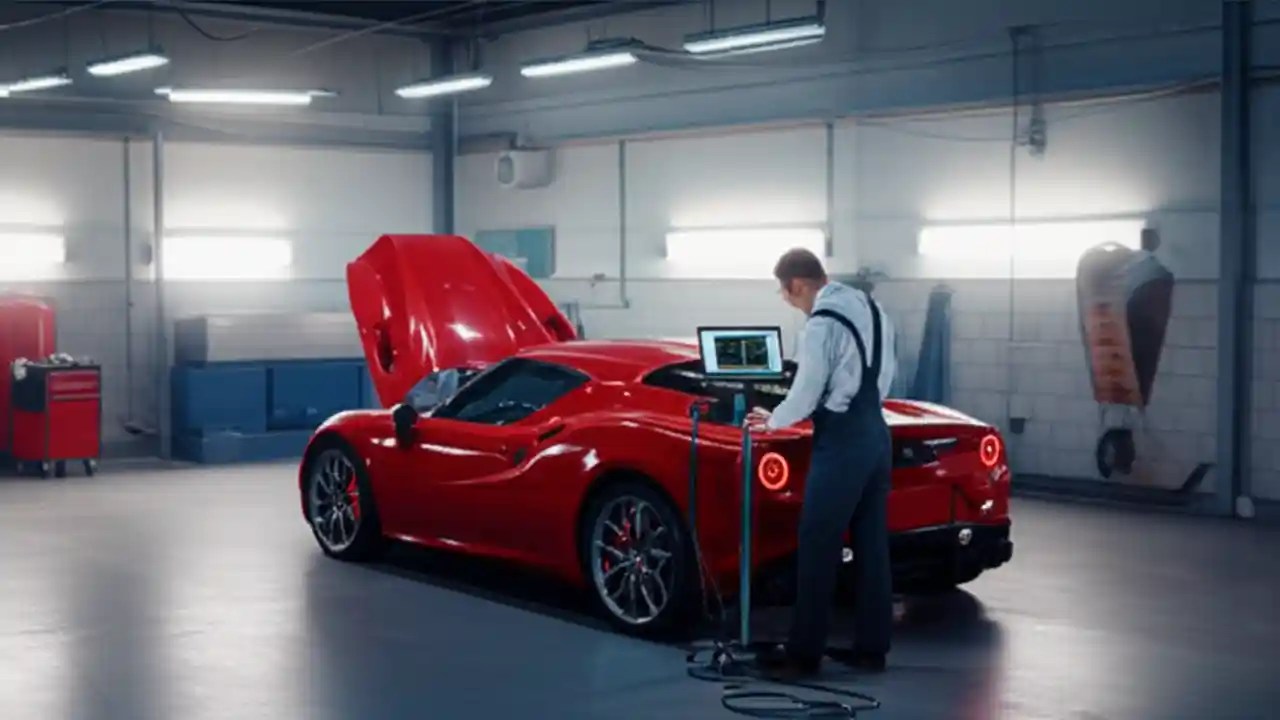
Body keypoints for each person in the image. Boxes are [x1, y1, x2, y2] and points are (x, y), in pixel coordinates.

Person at [746, 248, 897, 678]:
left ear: (797, 285)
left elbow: (807, 390)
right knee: (871, 546)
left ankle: (803, 655)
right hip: (876, 434)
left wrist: (773, 420)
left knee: (817, 542)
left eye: (787, 294)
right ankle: (872, 649)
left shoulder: (820, 325)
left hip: (844, 441)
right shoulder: (873, 309)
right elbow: (885, 375)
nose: (791, 302)